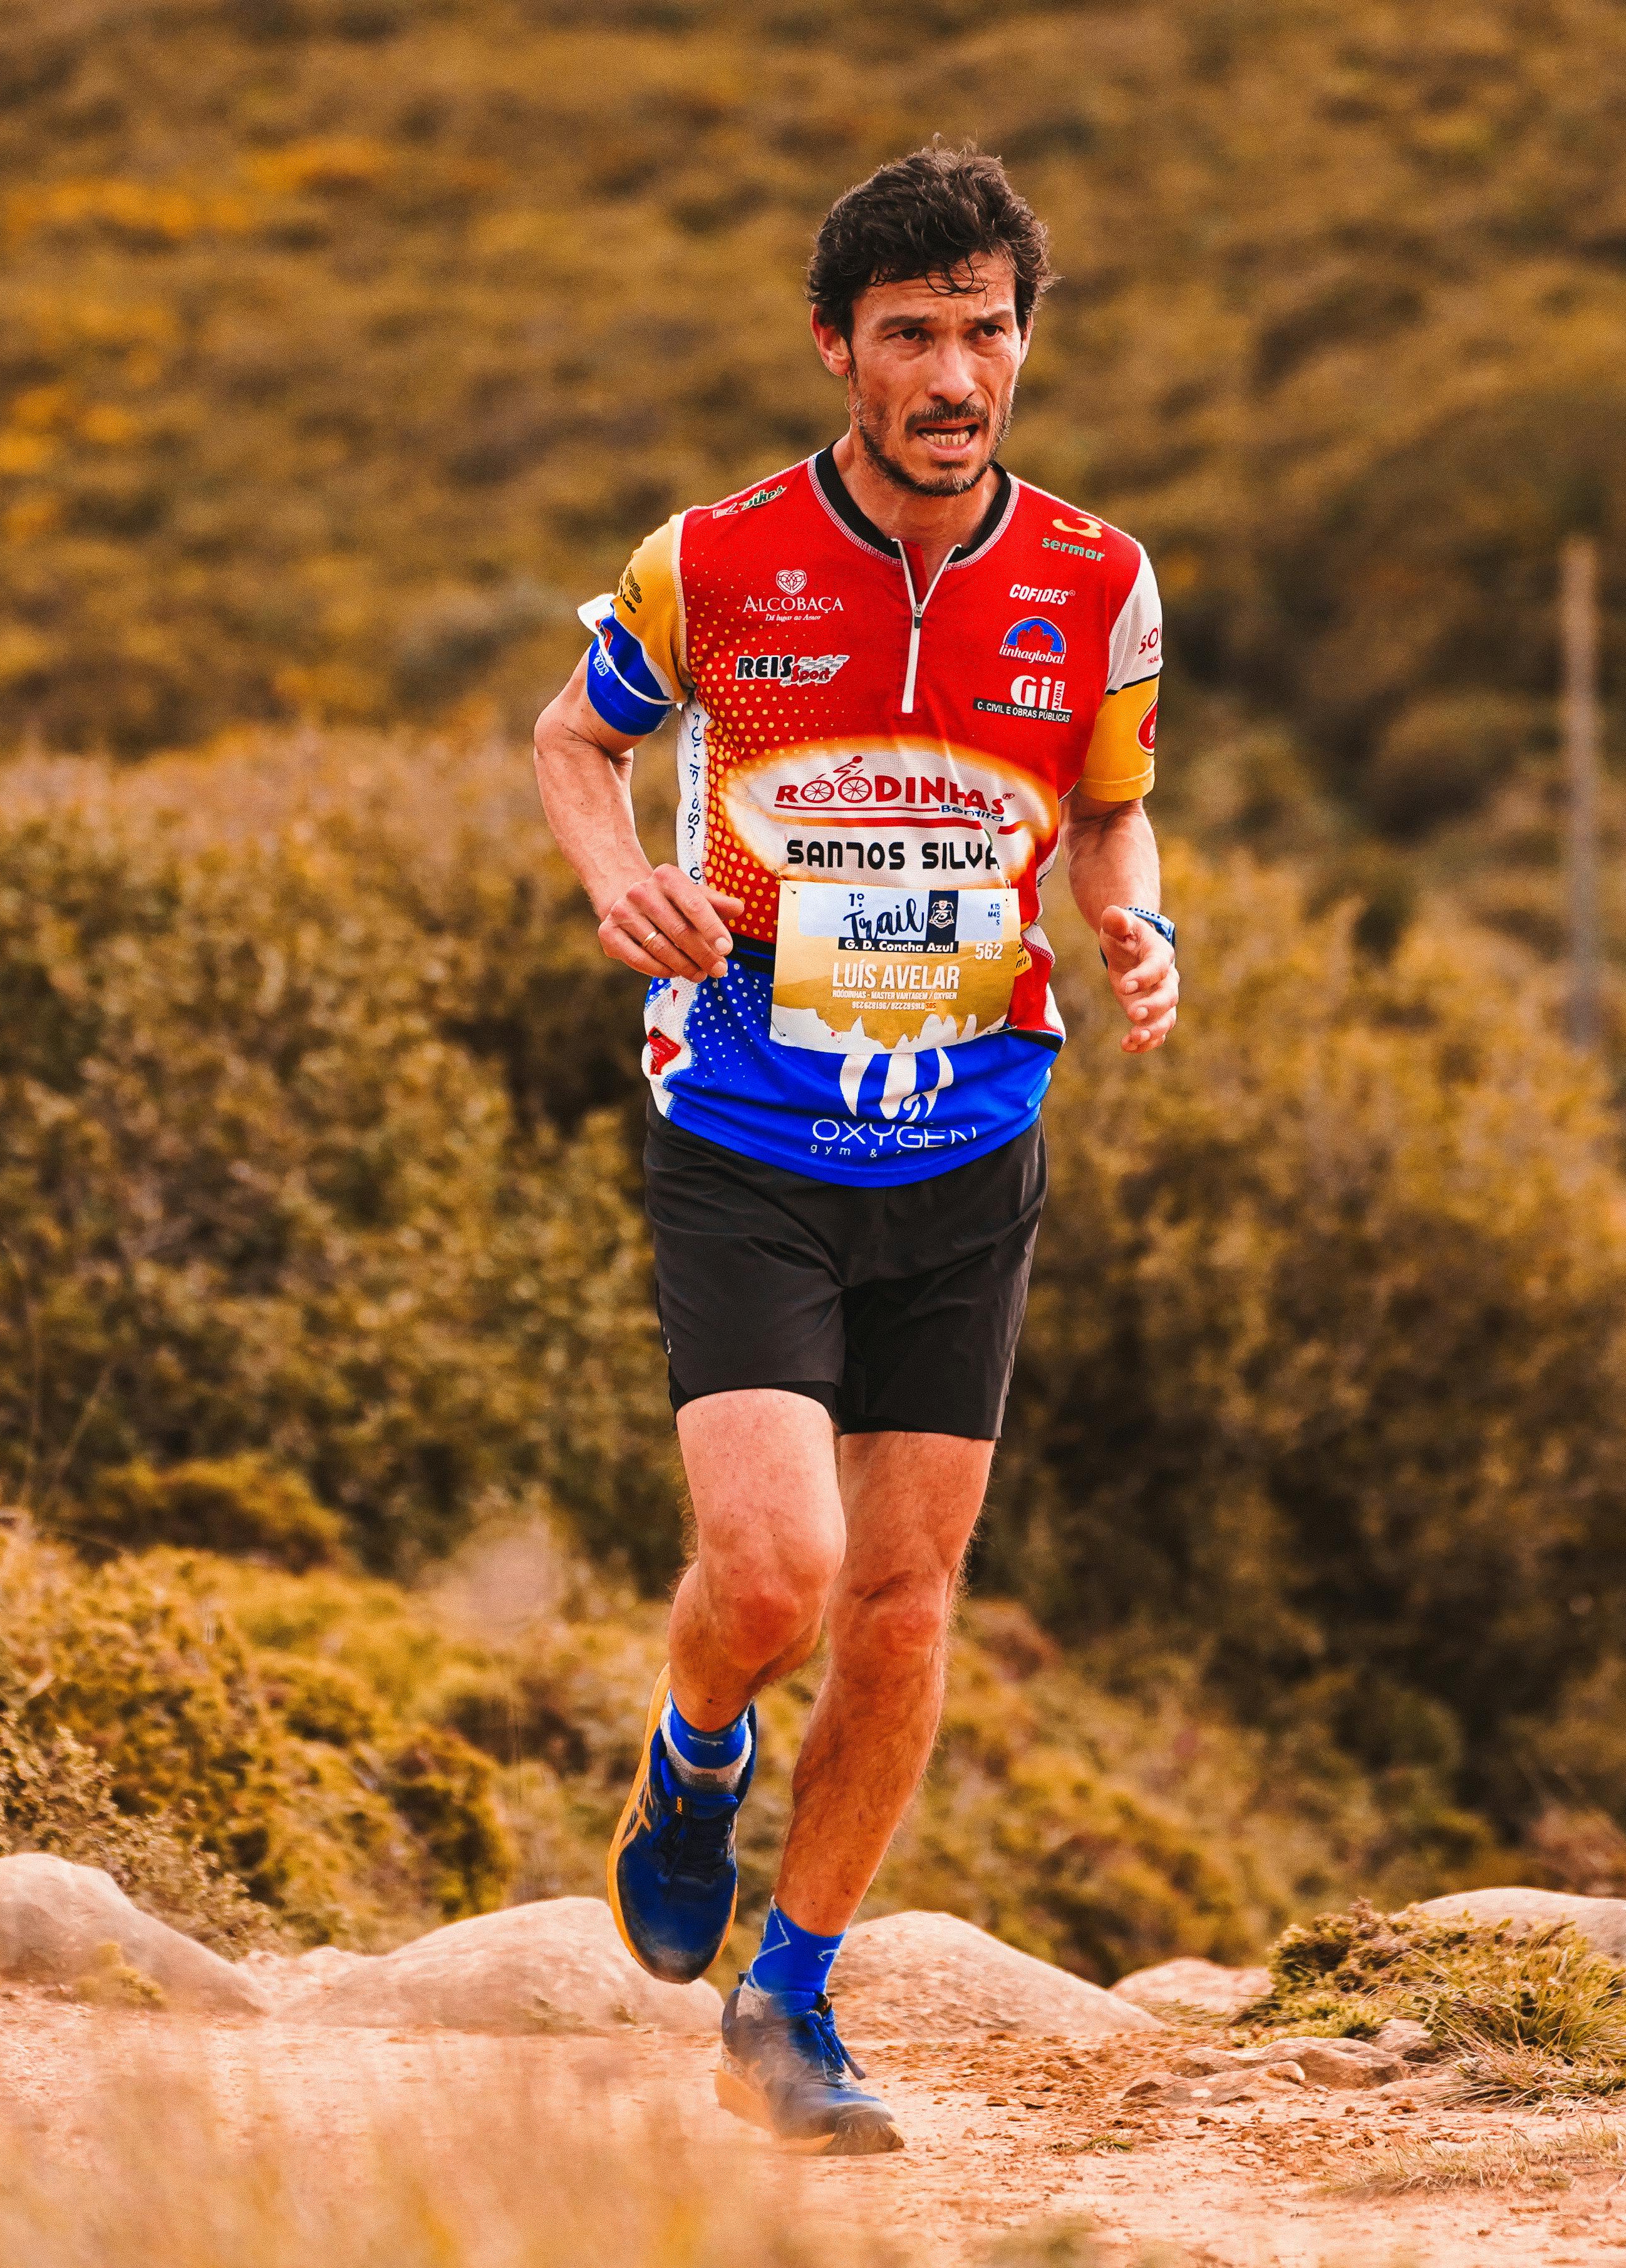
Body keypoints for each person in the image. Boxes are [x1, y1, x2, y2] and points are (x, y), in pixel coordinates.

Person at [529, 143, 1178, 2157]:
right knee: (776, 1572)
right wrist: (618, 881)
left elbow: (1108, 812)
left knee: (901, 1604)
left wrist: (1139, 923)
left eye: (987, 331)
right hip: (748, 1132)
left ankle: (793, 1997)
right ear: (838, 348)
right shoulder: (713, 561)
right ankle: (694, 1750)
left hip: (972, 1142)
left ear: (1025, 342)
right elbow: (574, 740)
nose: (954, 375)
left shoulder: (1099, 581)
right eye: (912, 335)